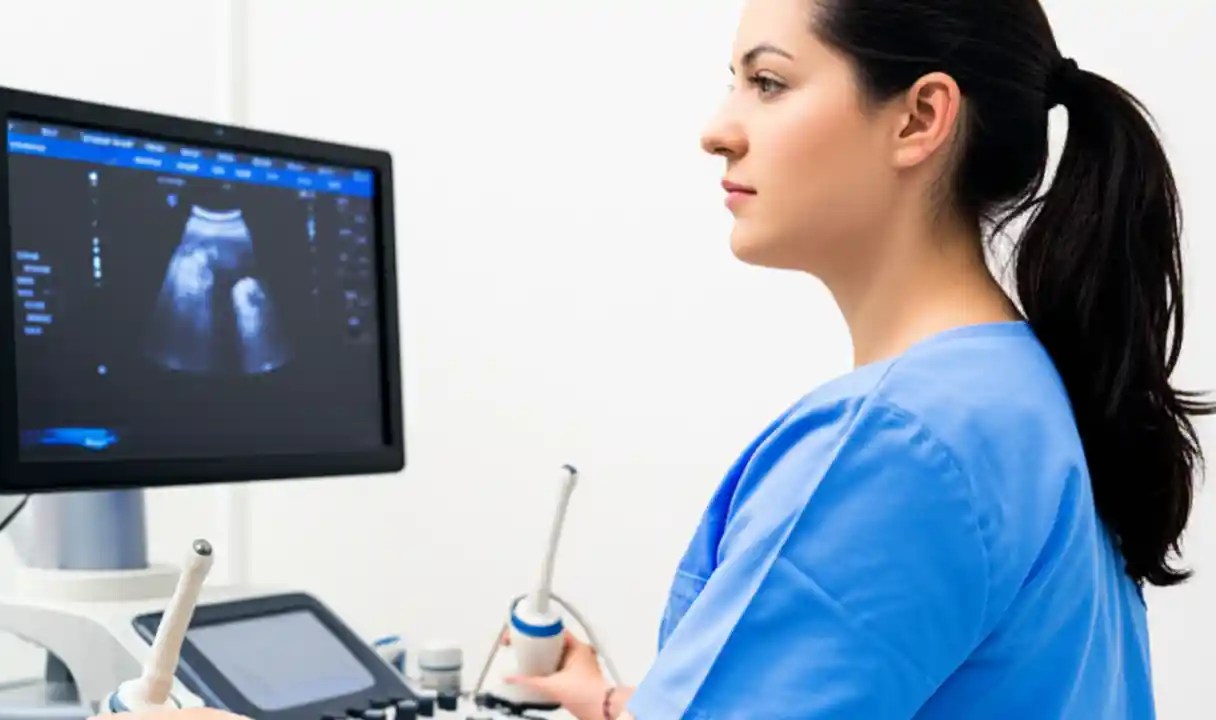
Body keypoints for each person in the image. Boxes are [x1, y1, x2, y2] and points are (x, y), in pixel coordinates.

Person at [100, 0, 1208, 718]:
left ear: (918, 118)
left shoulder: (897, 442)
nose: (717, 128)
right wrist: (631, 703)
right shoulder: (1012, 392)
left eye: (766, 83)